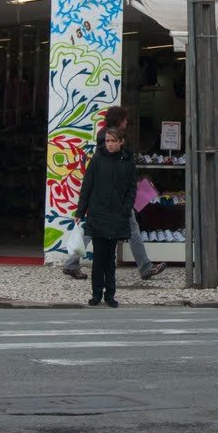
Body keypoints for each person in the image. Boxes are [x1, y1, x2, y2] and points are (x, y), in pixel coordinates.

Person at [63, 107, 166, 281]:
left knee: (98, 228)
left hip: (111, 194)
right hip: (113, 195)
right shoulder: (109, 137)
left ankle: (72, 264)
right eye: (125, 120)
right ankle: (145, 267)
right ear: (119, 120)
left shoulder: (105, 135)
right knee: (121, 228)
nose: (127, 123)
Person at [76, 127, 136, 308]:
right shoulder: (97, 160)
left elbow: (132, 189)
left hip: (116, 214)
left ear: (121, 142)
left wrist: (125, 209)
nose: (109, 144)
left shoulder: (128, 161)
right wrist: (80, 211)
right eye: (107, 141)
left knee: (110, 257)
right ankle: (96, 293)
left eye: (112, 141)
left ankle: (110, 294)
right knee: (99, 257)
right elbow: (87, 186)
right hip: (98, 213)